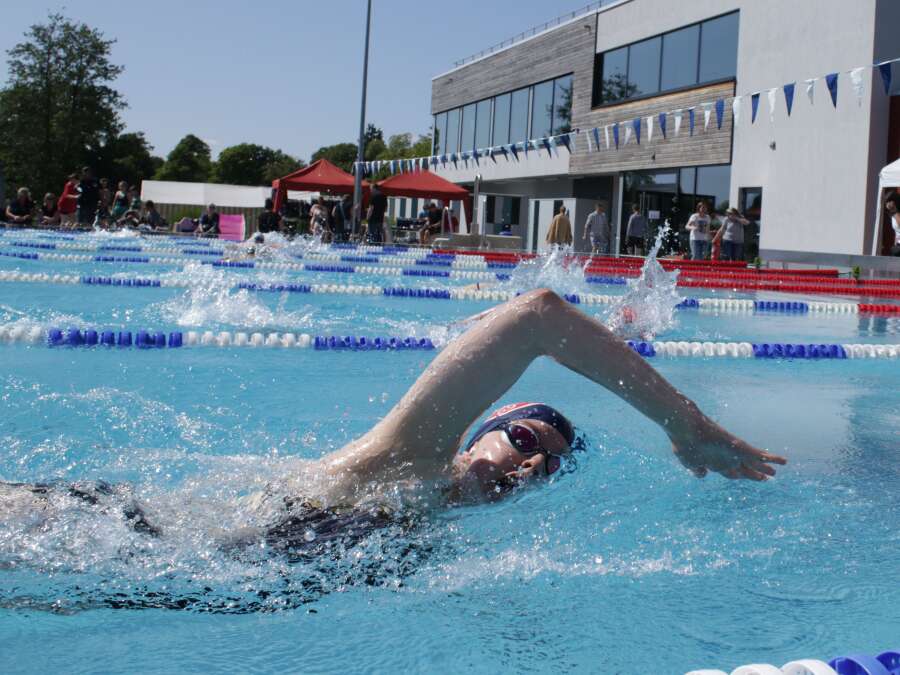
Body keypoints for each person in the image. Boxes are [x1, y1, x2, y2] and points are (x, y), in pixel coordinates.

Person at [0, 289, 786, 560]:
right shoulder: (408, 461)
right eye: (521, 440)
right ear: (479, 425)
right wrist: (688, 426)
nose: (523, 468)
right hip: (101, 527)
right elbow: (538, 318)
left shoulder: (430, 531)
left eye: (541, 468)